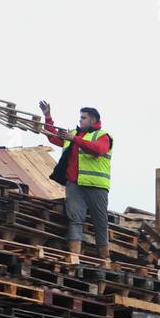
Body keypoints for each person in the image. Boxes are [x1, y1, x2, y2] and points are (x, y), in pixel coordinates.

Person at [41, 102, 113, 261]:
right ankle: (74, 256)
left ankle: (105, 259)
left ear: (93, 120)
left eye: (83, 118)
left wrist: (75, 139)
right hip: (74, 185)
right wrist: (47, 116)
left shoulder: (102, 136)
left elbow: (98, 150)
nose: (80, 120)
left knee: (100, 222)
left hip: (96, 186)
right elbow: (53, 136)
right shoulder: (74, 134)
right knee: (75, 220)